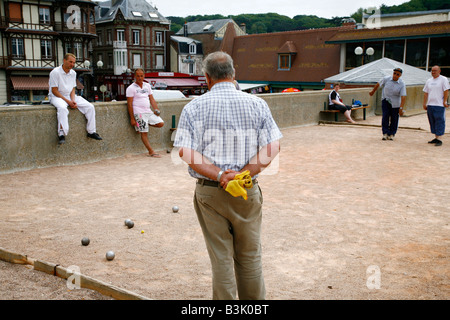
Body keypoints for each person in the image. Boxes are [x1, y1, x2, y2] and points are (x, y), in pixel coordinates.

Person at [174, 51, 282, 300]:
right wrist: (244, 175)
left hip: (210, 191)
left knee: (221, 258)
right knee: (250, 256)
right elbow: (273, 146)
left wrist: (221, 174)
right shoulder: (257, 104)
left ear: (207, 78)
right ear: (234, 75)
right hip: (247, 190)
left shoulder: (193, 107)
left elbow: (185, 151)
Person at [49, 53, 102, 144]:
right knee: (62, 108)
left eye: (74, 63)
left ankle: (91, 131)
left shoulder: (73, 73)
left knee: (90, 107)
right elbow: (54, 91)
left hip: (69, 96)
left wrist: (73, 100)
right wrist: (68, 102)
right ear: (64, 61)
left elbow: (73, 88)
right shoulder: (55, 72)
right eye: (70, 62)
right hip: (56, 96)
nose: (72, 64)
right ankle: (62, 134)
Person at [126, 68, 164, 157]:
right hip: (139, 113)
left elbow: (151, 99)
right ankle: (151, 151)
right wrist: (132, 119)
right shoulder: (131, 88)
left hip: (148, 111)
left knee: (160, 123)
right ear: (134, 76)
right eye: (138, 76)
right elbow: (129, 104)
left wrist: (156, 109)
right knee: (144, 133)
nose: (140, 78)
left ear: (144, 76)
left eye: (141, 76)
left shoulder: (147, 85)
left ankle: (141, 125)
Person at [369, 67, 407, 141]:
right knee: (385, 116)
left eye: (397, 74)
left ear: (400, 75)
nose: (395, 75)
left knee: (394, 118)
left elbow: (403, 96)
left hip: (395, 103)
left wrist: (401, 108)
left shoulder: (402, 83)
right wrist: (373, 91)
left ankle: (392, 133)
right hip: (386, 100)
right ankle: (385, 133)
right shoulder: (386, 79)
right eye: (394, 73)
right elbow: (378, 84)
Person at [423, 65, 450, 147]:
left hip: (439, 105)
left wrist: (445, 101)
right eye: (432, 71)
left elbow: (446, 91)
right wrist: (424, 103)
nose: (433, 72)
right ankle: (436, 137)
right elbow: (426, 92)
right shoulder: (429, 81)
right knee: (432, 121)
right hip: (430, 104)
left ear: (439, 71)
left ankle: (440, 139)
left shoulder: (443, 79)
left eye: (435, 70)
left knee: (439, 121)